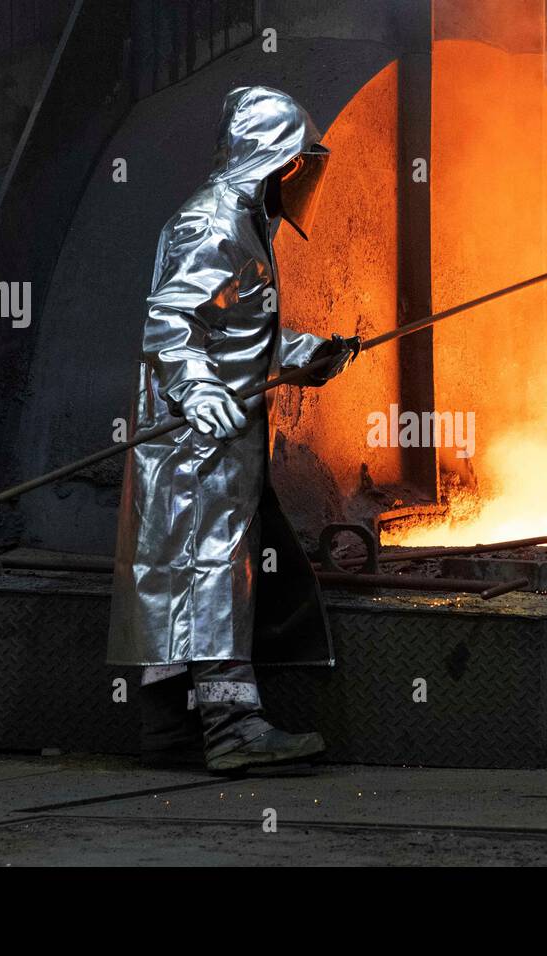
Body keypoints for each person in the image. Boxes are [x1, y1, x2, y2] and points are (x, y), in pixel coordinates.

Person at [107, 86, 359, 772]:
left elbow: (238, 334)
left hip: (216, 440)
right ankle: (232, 727)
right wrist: (195, 389)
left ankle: (169, 731)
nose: (300, 177)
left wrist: (311, 354)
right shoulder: (209, 223)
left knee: (180, 578)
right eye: (296, 163)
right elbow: (171, 323)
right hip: (197, 441)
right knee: (209, 575)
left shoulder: (246, 227)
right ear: (273, 159)